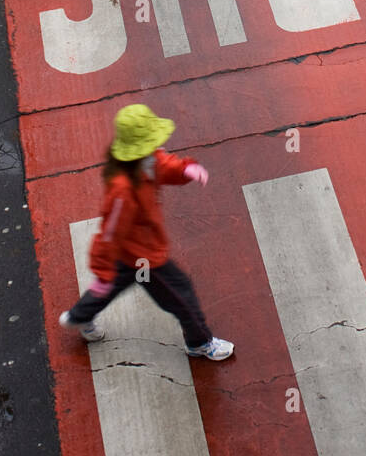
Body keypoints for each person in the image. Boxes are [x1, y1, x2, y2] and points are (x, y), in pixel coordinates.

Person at [59, 104, 234, 361]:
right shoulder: (123, 189)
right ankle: (200, 342)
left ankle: (80, 316)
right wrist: (102, 268)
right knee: (181, 295)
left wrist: (184, 169)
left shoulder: (140, 163)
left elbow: (162, 164)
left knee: (114, 283)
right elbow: (109, 233)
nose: (157, 149)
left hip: (131, 252)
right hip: (145, 256)